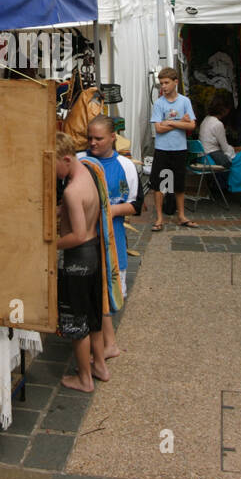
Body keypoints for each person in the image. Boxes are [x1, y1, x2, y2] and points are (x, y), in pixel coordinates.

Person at [54, 133, 109, 392]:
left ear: (65, 159)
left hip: (78, 260)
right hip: (93, 255)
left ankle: (85, 379)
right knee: (93, 316)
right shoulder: (87, 172)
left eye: (53, 167)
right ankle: (99, 365)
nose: (52, 173)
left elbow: (76, 235)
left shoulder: (71, 191)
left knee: (76, 322)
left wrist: (50, 245)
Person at [79, 115, 135, 361]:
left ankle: (105, 346)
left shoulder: (126, 166)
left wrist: (107, 211)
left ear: (113, 137)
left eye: (98, 138)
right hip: (86, 241)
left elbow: (135, 204)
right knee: (93, 294)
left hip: (113, 240)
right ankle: (105, 345)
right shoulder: (80, 161)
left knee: (105, 294)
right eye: (89, 138)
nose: (93, 143)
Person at [198, 94, 241, 206]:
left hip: (204, 157)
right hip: (211, 159)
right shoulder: (217, 124)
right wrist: (240, 149)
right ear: (225, 110)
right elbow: (226, 149)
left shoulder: (206, 120)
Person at [150, 66, 197, 230]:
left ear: (175, 82)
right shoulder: (158, 103)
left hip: (179, 148)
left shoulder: (185, 101)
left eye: (166, 83)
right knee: (159, 184)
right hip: (162, 148)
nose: (163, 86)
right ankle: (159, 218)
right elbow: (158, 128)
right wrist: (180, 123)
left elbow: (191, 124)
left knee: (179, 183)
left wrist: (170, 122)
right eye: (161, 83)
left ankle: (181, 215)